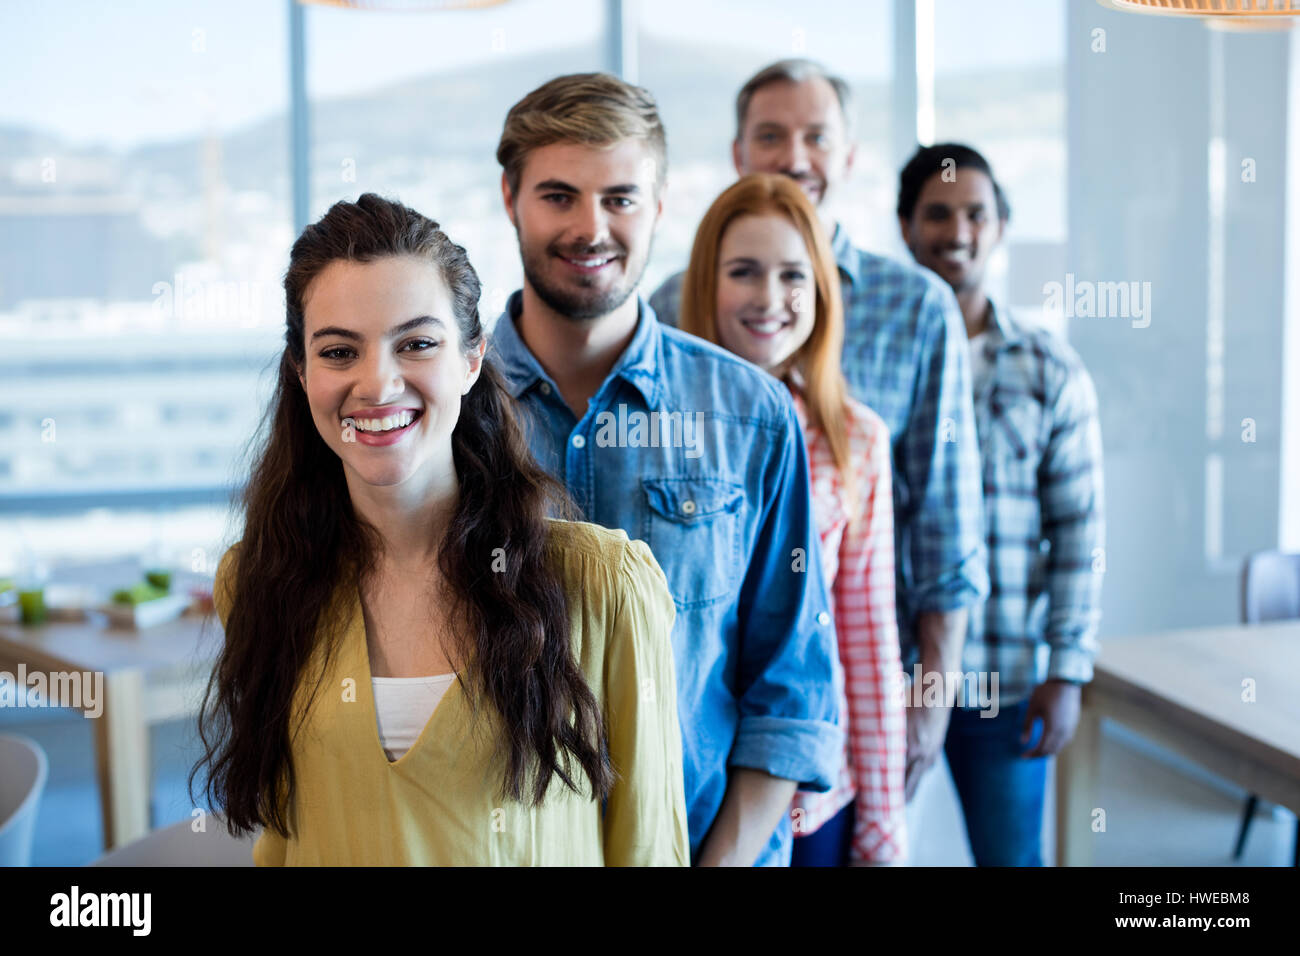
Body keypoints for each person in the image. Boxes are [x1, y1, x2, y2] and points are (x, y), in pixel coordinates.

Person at [191, 193, 689, 866]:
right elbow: (284, 841)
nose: (378, 383)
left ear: (471, 358)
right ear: (302, 373)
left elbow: (650, 847)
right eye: (340, 351)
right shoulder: (257, 579)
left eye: (417, 343)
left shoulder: (600, 583)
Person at [489, 73, 842, 866]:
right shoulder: (448, 413)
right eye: (558, 195)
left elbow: (791, 685)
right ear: (510, 196)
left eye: (619, 197)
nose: (591, 227)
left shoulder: (752, 415)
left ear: (659, 203)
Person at [649, 59, 987, 803]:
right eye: (771, 135)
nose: (794, 157)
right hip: (688, 708)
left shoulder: (916, 306)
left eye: (816, 137)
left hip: (849, 680)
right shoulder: (672, 301)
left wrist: (928, 695)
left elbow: (944, 519)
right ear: (739, 152)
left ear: (850, 155)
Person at [678, 172, 906, 866]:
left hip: (812, 799)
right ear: (705, 285)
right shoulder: (656, 430)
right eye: (743, 272)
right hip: (690, 789)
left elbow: (866, 640)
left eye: (792, 276)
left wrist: (884, 825)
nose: (769, 299)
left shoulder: (855, 438)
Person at [897, 143, 1105, 866]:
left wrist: (1068, 669)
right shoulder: (872, 363)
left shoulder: (1048, 368)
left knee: (1011, 860)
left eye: (975, 213)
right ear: (905, 227)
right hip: (891, 671)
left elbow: (1079, 532)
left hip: (1006, 675)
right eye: (938, 213)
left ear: (1002, 226)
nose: (958, 230)